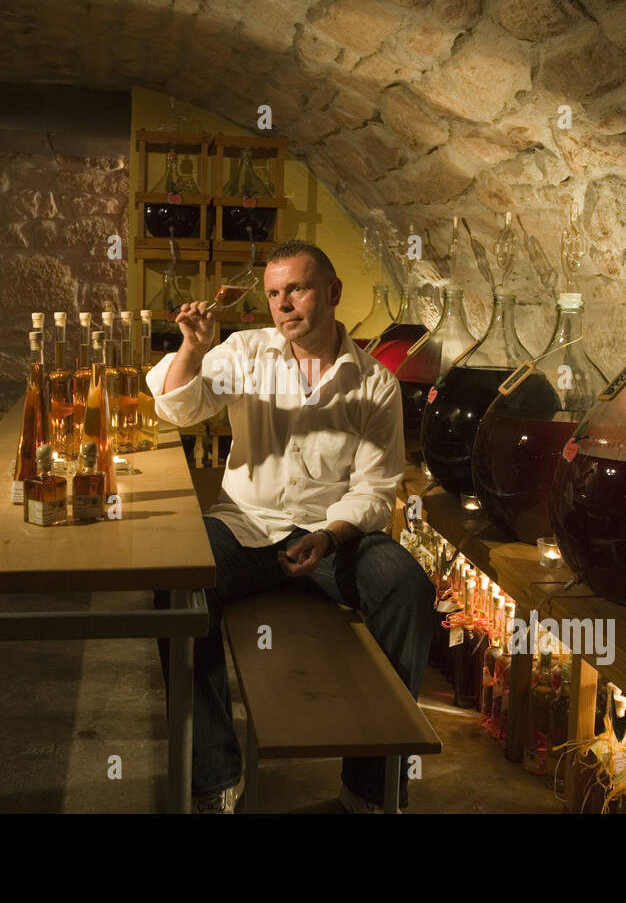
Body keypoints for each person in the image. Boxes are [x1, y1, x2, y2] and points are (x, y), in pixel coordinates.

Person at [148, 239, 435, 813]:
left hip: (332, 538)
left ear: (331, 292)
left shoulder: (373, 383)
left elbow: (376, 490)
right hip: (245, 526)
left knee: (408, 587)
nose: (283, 304)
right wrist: (192, 348)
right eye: (274, 294)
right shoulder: (245, 351)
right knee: (179, 584)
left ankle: (371, 787)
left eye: (297, 289)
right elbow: (176, 409)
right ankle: (216, 777)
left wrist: (330, 535)